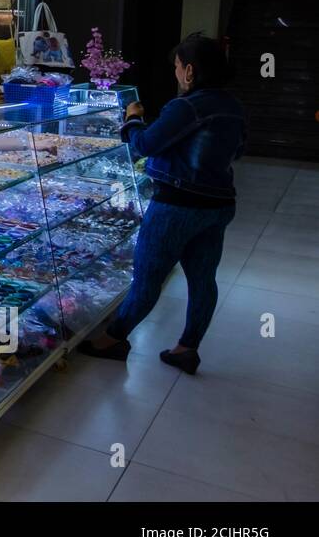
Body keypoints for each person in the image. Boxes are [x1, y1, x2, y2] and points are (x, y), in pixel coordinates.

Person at [78, 34, 246, 375]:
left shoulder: (187, 106)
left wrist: (133, 118)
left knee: (147, 277)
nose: (175, 73)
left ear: (189, 71)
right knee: (203, 279)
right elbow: (236, 152)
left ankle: (114, 338)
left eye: (176, 67)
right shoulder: (233, 106)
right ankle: (187, 348)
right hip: (218, 205)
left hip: (176, 206)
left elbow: (144, 145)